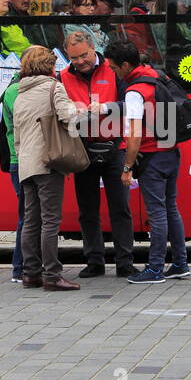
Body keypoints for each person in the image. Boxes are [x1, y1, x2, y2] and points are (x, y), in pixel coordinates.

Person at [105, 40, 189, 284]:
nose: (112, 72)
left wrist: (127, 167)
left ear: (125, 65)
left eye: (113, 68)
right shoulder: (155, 75)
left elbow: (134, 134)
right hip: (171, 152)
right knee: (171, 209)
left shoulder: (134, 91)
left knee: (157, 213)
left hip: (152, 157)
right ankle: (180, 264)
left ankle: (154, 269)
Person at [60, 30, 137, 279]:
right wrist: (72, 111)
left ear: (93, 49)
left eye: (83, 55)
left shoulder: (113, 71)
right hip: (82, 148)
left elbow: (131, 104)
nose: (80, 62)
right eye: (74, 58)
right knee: (87, 209)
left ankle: (125, 261)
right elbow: (57, 110)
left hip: (115, 147)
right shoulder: (62, 77)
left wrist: (105, 108)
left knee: (120, 208)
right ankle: (94, 260)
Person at [12, 45, 83, 291]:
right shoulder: (54, 88)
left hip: (27, 165)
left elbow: (17, 137)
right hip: (48, 162)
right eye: (53, 64)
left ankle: (30, 273)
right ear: (47, 66)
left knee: (31, 220)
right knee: (51, 221)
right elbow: (70, 118)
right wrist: (80, 108)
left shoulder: (20, 94)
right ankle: (52, 275)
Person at [0, 69, 26, 283]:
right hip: (21, 161)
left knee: (29, 215)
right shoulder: (15, 91)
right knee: (28, 216)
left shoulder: (15, 88)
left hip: (22, 161)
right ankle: (20, 267)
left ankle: (25, 266)